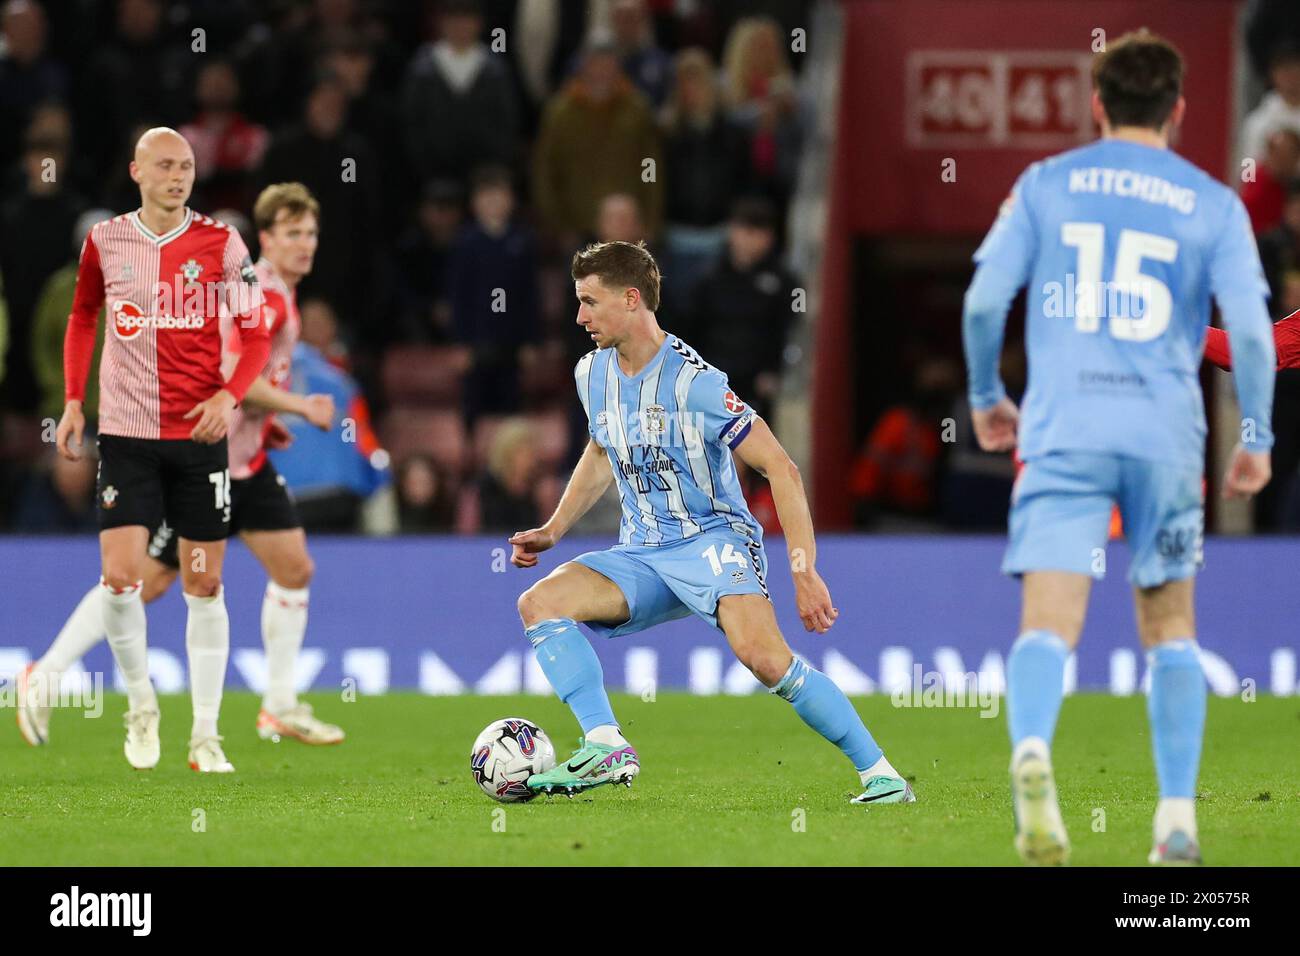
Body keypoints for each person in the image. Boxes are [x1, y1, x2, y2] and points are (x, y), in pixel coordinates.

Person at [962, 32, 1276, 865]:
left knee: (1049, 623)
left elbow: (985, 298)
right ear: (1177, 110)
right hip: (1166, 439)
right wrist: (1258, 434)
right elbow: (1252, 331)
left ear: (1097, 105)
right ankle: (1175, 820)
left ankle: (1032, 752)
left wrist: (989, 397)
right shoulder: (1213, 202)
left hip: (1065, 431)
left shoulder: (1045, 186)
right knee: (1170, 626)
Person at [509, 240, 913, 803]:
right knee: (539, 603)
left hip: (712, 541)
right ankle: (605, 746)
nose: (579, 317)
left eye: (589, 302)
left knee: (765, 659)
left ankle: (882, 776)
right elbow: (602, 451)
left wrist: (803, 569)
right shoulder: (590, 374)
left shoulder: (694, 382)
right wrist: (553, 530)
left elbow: (781, 467)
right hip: (642, 553)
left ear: (630, 299)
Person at [19, 182, 345, 752]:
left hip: (247, 461)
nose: (305, 244)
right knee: (142, 585)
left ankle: (279, 706)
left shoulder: (279, 293)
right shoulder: (262, 294)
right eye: (292, 233)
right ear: (265, 239)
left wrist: (264, 422)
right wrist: (299, 406)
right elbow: (228, 367)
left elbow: (242, 385)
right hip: (204, 457)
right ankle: (43, 676)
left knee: (294, 568)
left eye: (311, 232)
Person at [42, 128, 272, 773]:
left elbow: (255, 333)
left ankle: (204, 736)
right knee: (121, 581)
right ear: (137, 170)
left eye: (188, 166)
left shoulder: (223, 242)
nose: (179, 175)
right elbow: (83, 316)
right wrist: (72, 402)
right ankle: (140, 705)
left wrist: (230, 395)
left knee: (204, 583)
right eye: (166, 165)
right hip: (127, 436)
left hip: (200, 441)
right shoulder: (105, 241)